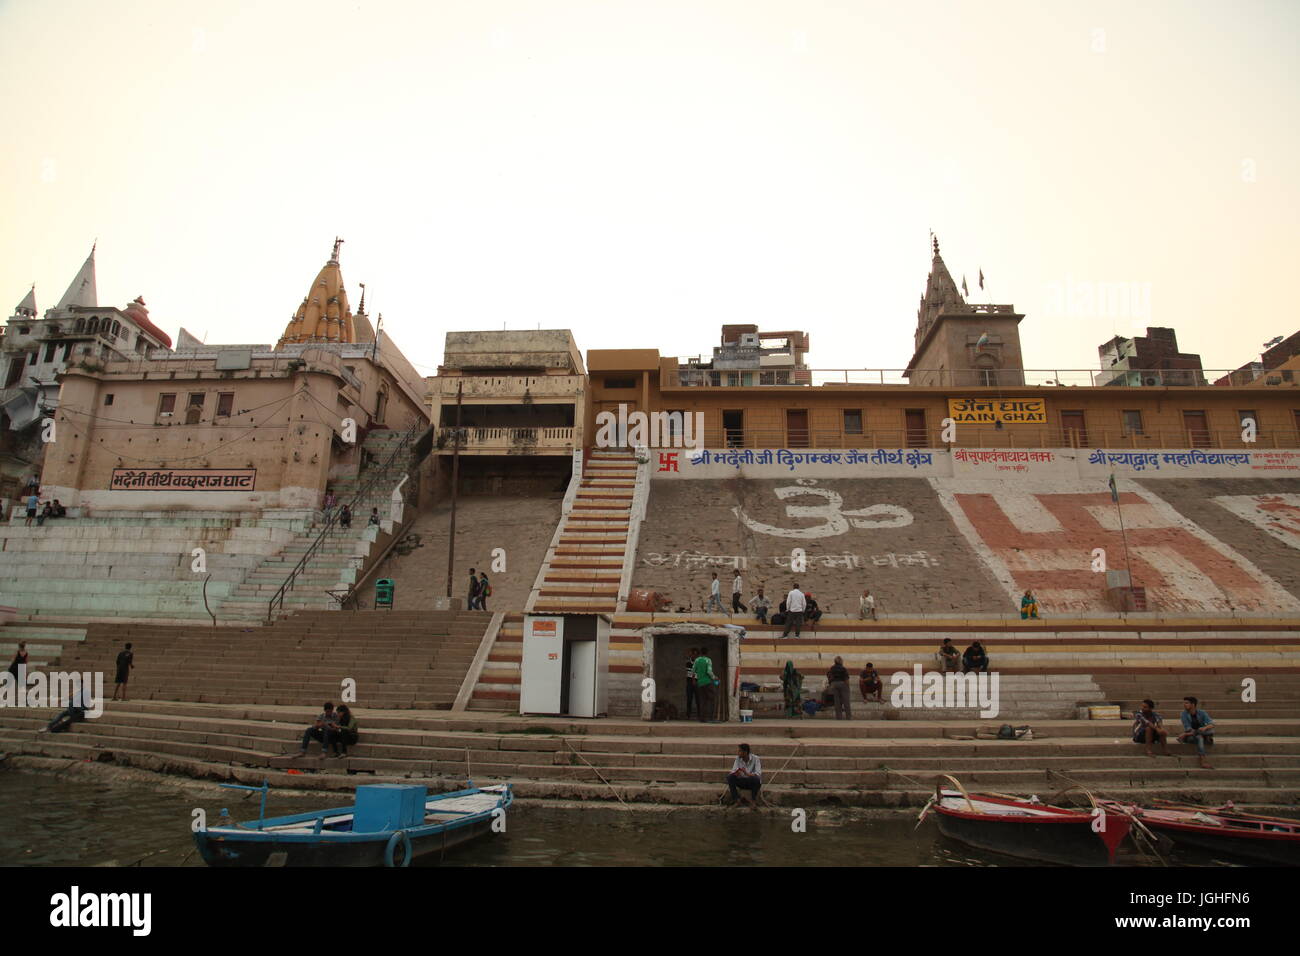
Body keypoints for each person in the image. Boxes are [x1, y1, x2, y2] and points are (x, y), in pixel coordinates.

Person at [1178, 696, 1215, 769]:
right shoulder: (1183, 714)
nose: (1184, 705)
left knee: (1210, 730)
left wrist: (1204, 728)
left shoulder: (1202, 713)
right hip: (1190, 736)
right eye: (1184, 703)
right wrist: (1188, 733)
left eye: (1187, 703)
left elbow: (1212, 724)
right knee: (1199, 737)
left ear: (1193, 704)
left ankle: (1205, 736)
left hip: (1193, 733)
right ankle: (1203, 761)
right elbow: (1188, 729)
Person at [693, 650, 717, 722]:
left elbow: (693, 671)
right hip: (708, 682)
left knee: (702, 701)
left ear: (700, 653)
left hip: (700, 683)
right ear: (707, 654)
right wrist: (714, 677)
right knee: (711, 699)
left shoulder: (697, 660)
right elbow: (709, 671)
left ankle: (702, 718)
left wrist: (695, 679)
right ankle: (711, 717)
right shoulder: (708, 660)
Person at [684, 648, 698, 719]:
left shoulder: (698, 662)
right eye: (693, 654)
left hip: (697, 682)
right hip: (690, 682)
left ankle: (699, 714)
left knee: (698, 699)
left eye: (696, 654)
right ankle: (688, 715)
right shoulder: (688, 661)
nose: (694, 656)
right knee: (689, 699)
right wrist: (693, 680)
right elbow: (690, 672)